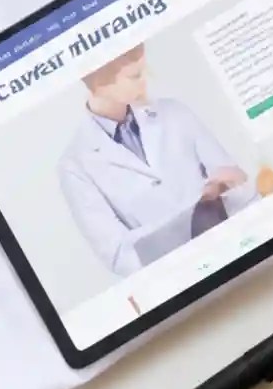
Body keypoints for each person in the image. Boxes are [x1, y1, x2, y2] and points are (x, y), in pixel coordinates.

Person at [57, 44, 257, 276]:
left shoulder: (174, 112)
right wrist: (195, 214)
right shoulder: (75, 165)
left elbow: (239, 186)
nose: (146, 80)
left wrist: (224, 187)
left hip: (234, 249)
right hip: (176, 278)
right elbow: (119, 255)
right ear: (100, 83)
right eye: (135, 76)